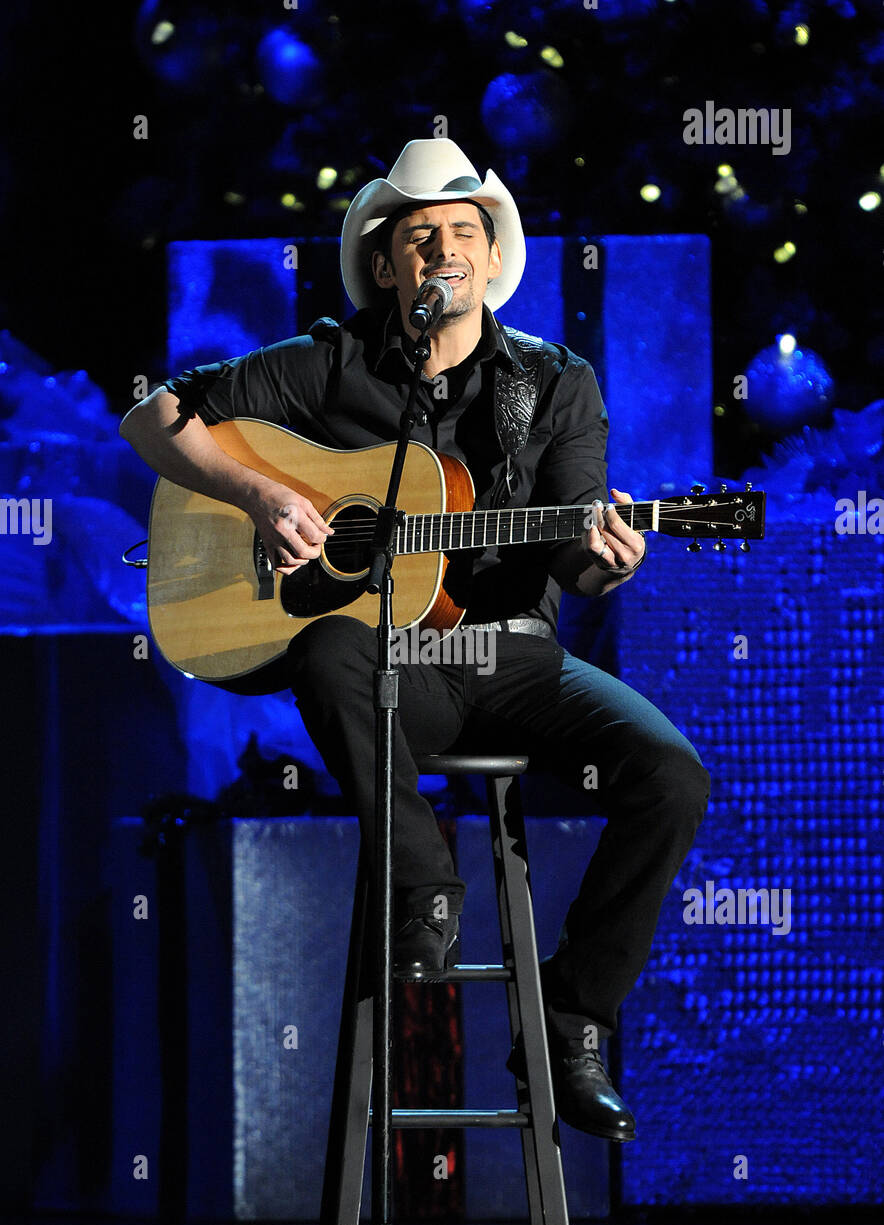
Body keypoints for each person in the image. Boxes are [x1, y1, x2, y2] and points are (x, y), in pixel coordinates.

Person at [120, 138, 710, 1143]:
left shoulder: (554, 382)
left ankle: (569, 1020)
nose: (442, 250)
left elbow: (573, 558)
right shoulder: (329, 364)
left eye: (462, 233)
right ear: (386, 263)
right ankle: (422, 885)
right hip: (397, 672)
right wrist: (261, 494)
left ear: (489, 259)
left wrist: (608, 561)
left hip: (517, 660)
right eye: (419, 235)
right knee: (329, 645)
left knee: (670, 774)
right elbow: (153, 417)